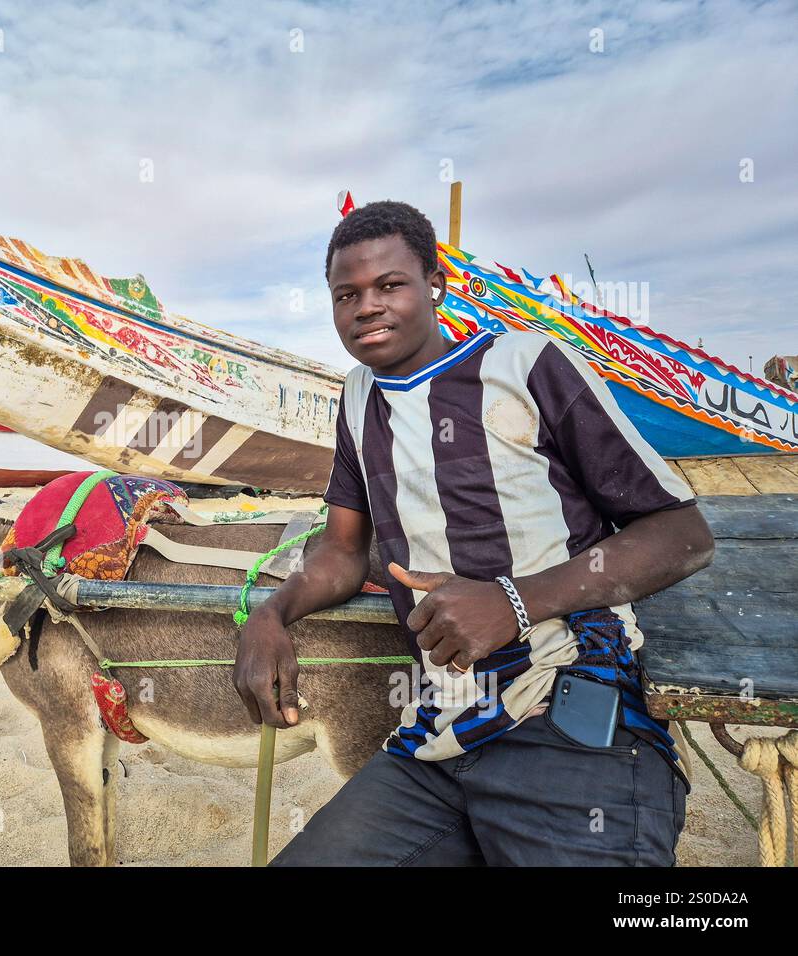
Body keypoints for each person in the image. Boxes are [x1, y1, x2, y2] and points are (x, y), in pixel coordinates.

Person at [233, 200, 715, 866]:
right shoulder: (357, 399)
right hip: (438, 735)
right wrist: (271, 614)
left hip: (569, 714)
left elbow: (683, 532)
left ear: (435, 284)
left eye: (389, 285)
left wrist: (514, 602)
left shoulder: (527, 365)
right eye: (346, 295)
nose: (365, 307)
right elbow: (342, 553)